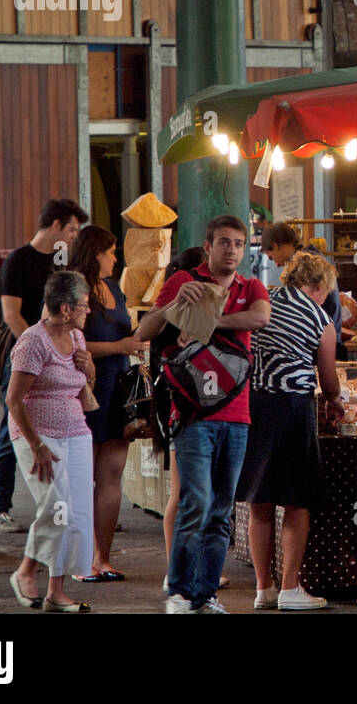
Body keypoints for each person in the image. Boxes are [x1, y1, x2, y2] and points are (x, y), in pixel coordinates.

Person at [135, 215, 271, 614]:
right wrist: (180, 306)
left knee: (221, 510)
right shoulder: (183, 282)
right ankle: (179, 591)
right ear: (208, 246)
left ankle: (206, 593)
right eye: (224, 242)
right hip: (193, 415)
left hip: (238, 414)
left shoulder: (252, 287)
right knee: (195, 501)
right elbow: (145, 329)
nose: (231, 249)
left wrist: (207, 324)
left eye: (238, 243)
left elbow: (260, 317)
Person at [237, 250, 343, 611]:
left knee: (260, 498)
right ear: (315, 285)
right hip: (293, 409)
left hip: (253, 405)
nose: (327, 297)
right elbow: (328, 380)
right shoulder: (319, 317)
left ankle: (262, 587)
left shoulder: (262, 300)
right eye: (326, 290)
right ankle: (290, 588)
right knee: (297, 501)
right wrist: (335, 401)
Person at [0, 198, 88, 534]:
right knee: (11, 428)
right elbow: (11, 315)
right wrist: (38, 346)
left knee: (61, 429)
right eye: (72, 229)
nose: (74, 237)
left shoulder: (62, 263)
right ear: (56, 225)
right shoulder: (19, 260)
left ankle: (68, 506)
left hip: (59, 356)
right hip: (25, 356)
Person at [5, 270, 98, 612]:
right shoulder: (32, 341)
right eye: (84, 306)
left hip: (76, 432)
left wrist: (89, 370)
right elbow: (14, 400)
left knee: (75, 513)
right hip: (39, 435)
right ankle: (26, 570)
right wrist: (37, 446)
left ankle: (55, 593)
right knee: (57, 507)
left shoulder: (76, 339)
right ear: (65, 309)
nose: (89, 311)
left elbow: (82, 387)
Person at [70, 226, 148, 582]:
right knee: (83, 477)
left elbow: (124, 334)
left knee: (112, 474)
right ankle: (81, 558)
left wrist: (134, 343)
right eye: (111, 251)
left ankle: (103, 557)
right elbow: (70, 342)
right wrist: (121, 346)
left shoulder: (115, 288)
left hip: (117, 388)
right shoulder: (75, 288)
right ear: (96, 252)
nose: (116, 258)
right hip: (84, 389)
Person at [159, 246, 206, 581]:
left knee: (186, 492)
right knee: (185, 492)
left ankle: (181, 567)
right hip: (187, 407)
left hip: (181, 404)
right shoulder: (182, 306)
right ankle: (177, 569)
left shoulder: (172, 308)